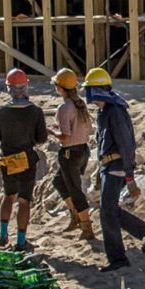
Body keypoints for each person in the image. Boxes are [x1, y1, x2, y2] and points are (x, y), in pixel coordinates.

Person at [83, 67, 145, 271]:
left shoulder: (115, 112)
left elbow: (126, 145)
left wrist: (129, 176)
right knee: (110, 211)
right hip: (108, 167)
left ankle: (118, 259)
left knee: (107, 213)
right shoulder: (104, 111)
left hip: (116, 168)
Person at [0, 68, 48, 250]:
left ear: (9, 88)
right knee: (24, 201)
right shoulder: (35, 111)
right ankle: (21, 241)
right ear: (26, 87)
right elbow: (41, 139)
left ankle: (2, 235)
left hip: (8, 159)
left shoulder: (0, 111)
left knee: (8, 196)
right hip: (26, 160)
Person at [49, 68, 96, 240]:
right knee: (59, 181)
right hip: (82, 150)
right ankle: (75, 216)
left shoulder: (64, 108)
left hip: (70, 152)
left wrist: (51, 132)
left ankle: (86, 226)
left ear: (60, 88)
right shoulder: (79, 104)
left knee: (75, 190)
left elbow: (65, 136)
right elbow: (84, 128)